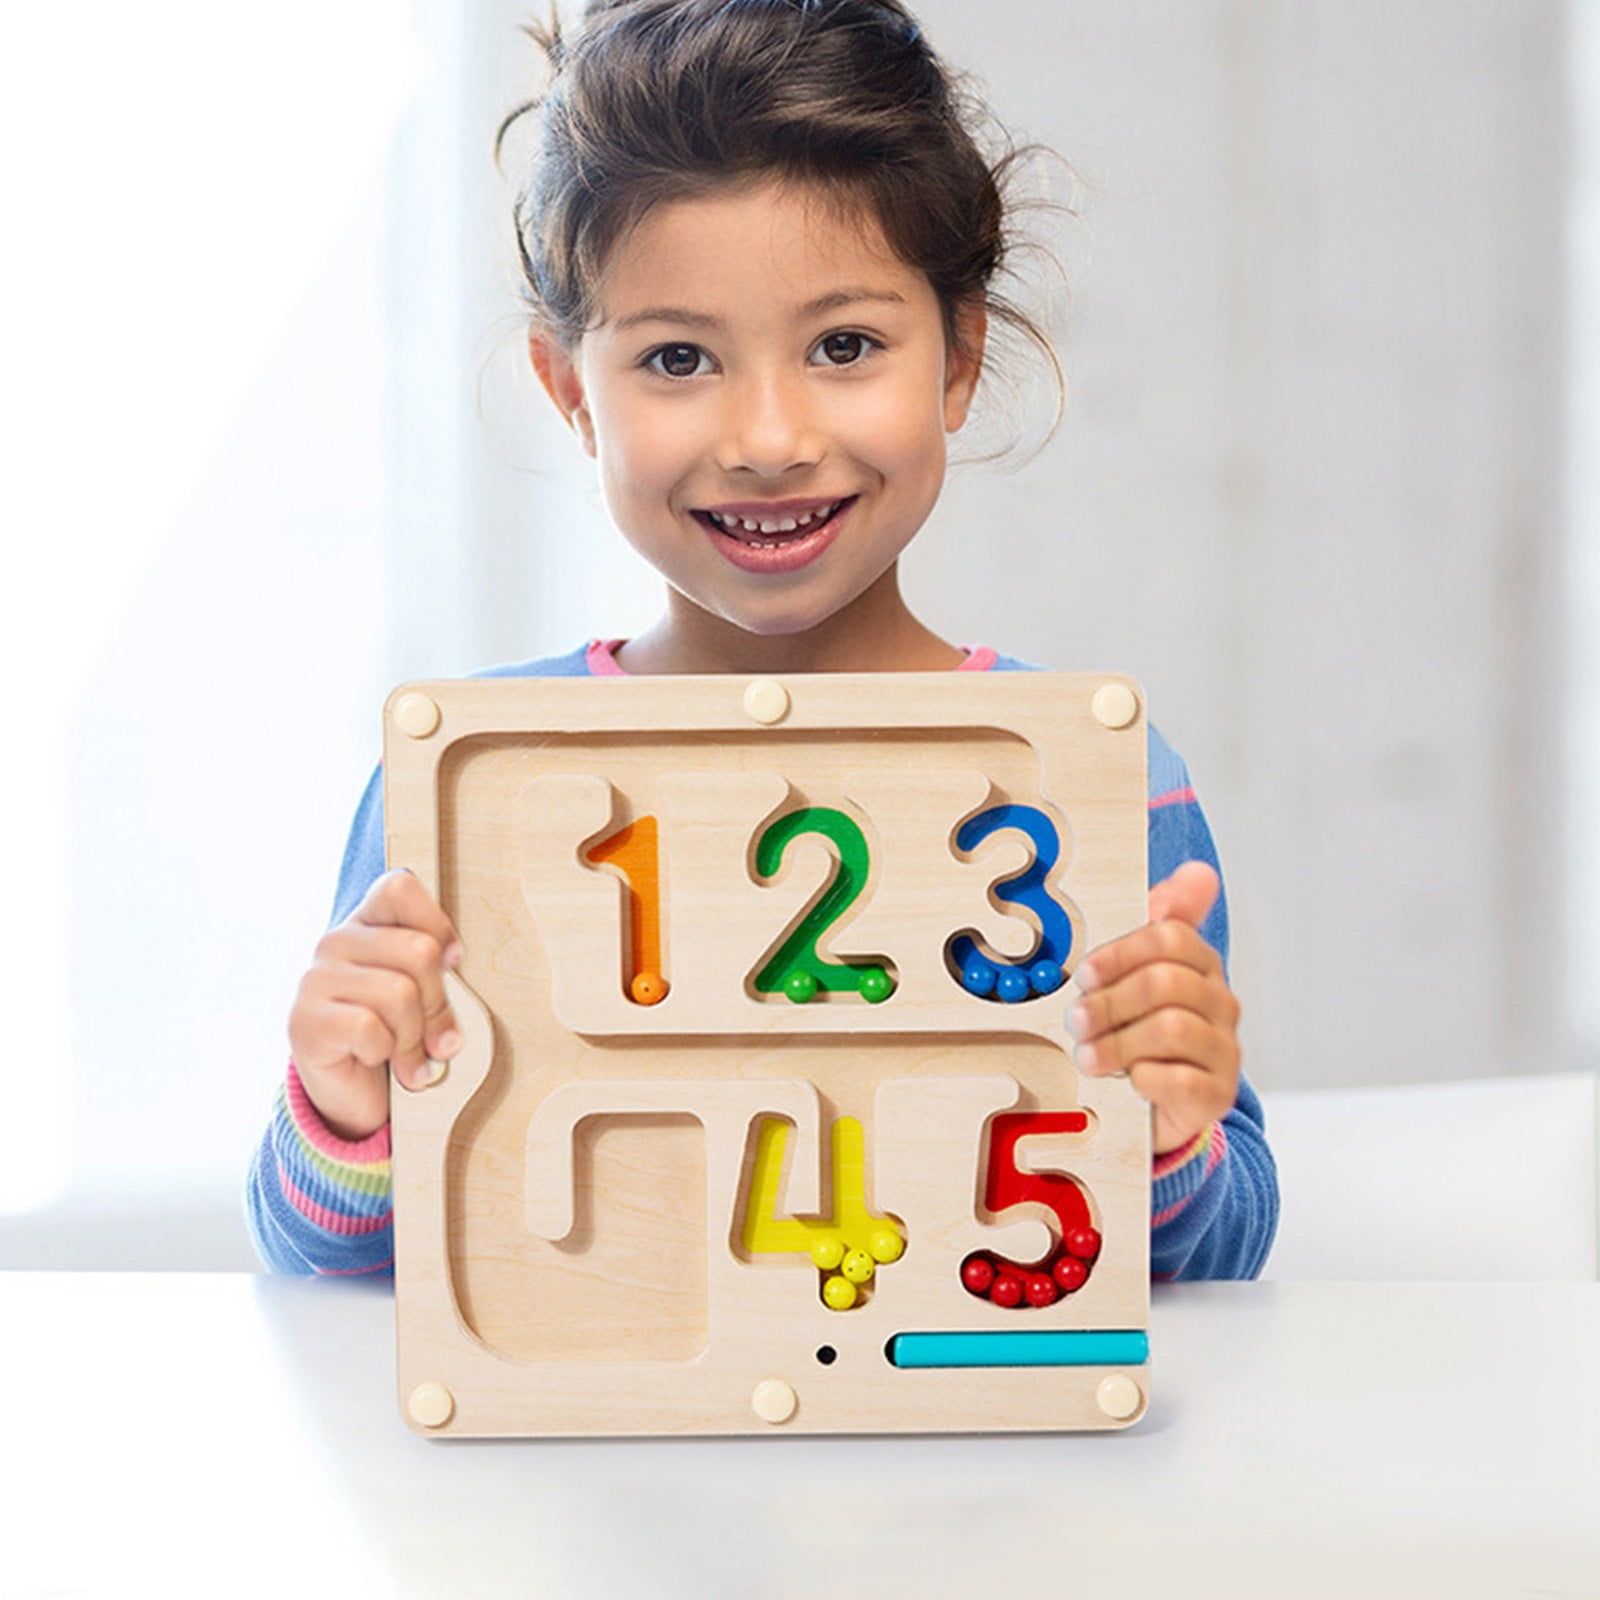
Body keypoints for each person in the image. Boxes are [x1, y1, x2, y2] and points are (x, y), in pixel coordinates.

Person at [247, 0, 1278, 1283]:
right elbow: (324, 1266)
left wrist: (1170, 1131)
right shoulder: (461, 785)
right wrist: (345, 1109)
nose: (770, 436)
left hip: (987, 1473)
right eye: (678, 358)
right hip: (581, 1476)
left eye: (845, 345)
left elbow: (1221, 1259)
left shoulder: (1103, 777)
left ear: (957, 360)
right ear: (571, 390)